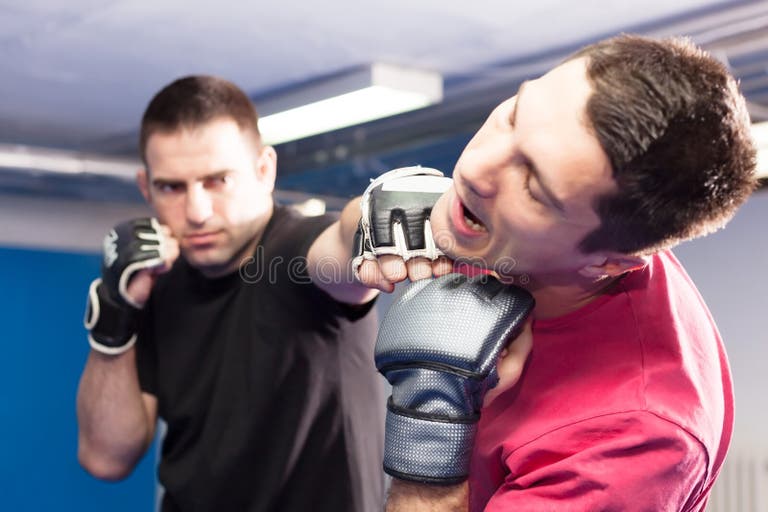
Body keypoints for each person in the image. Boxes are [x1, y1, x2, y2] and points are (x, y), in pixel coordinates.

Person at [354, 34, 758, 511]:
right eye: (512, 117)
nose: (476, 169)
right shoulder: (522, 234)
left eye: (533, 186)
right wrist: (366, 226)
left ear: (608, 263)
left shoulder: (629, 443)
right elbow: (329, 261)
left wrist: (430, 428)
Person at [76, 75, 386, 512]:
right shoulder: (156, 284)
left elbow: (345, 241)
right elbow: (105, 458)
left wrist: (375, 215)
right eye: (172, 187)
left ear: (264, 170)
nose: (197, 212)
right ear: (146, 188)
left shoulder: (296, 252)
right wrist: (115, 312)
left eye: (217, 180)